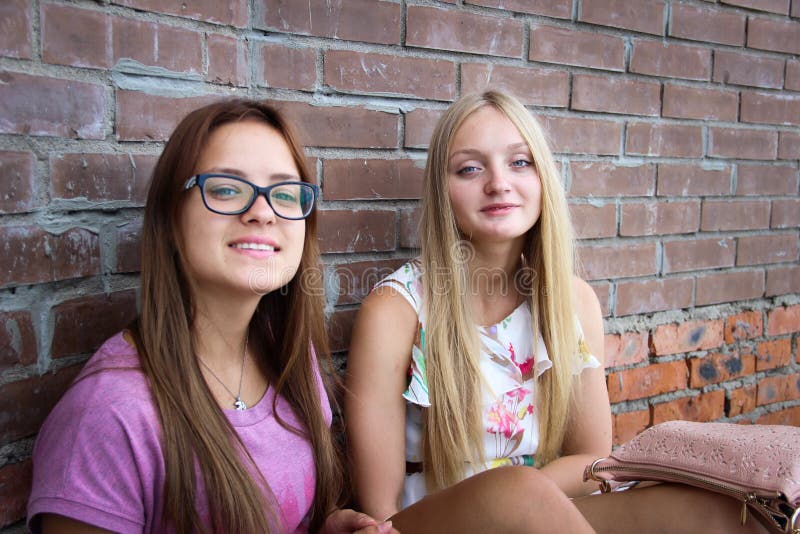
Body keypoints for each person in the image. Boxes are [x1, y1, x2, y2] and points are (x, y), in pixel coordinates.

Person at [345, 90, 768, 533]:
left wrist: (528, 499)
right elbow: (381, 510)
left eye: (520, 162)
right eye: (470, 168)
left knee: (719, 513)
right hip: (432, 523)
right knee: (518, 494)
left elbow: (591, 460)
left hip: (540, 516)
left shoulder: (572, 301)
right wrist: (516, 498)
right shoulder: (396, 309)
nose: (498, 183)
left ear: (543, 177)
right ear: (441, 189)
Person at [28, 100, 393, 534]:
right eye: (225, 189)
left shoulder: (293, 362)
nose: (263, 211)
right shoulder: (108, 417)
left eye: (285, 193)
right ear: (171, 218)